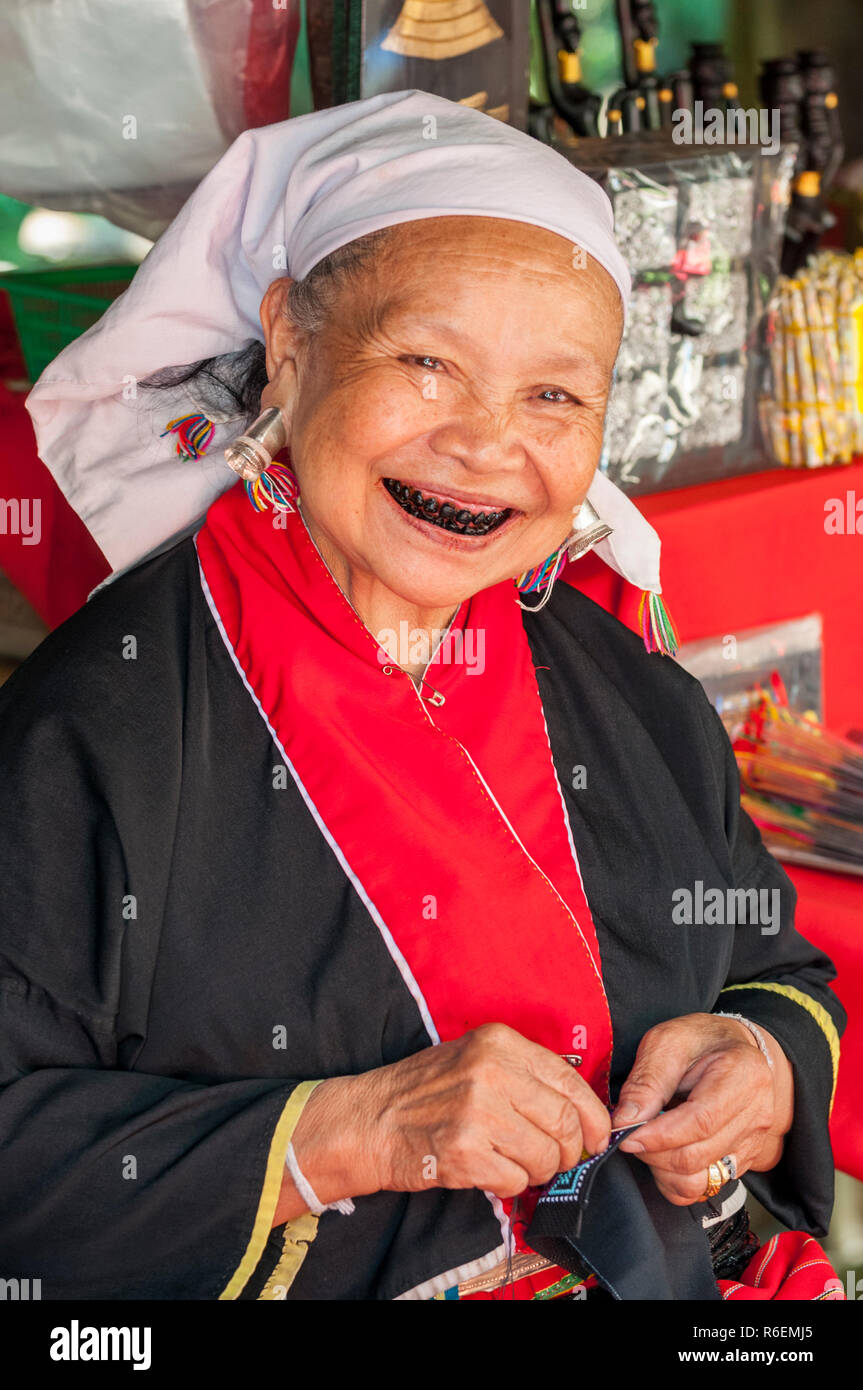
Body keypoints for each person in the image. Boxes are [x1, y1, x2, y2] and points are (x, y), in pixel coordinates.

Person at [0, 90, 845, 1301]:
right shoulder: (100, 729)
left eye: (554, 395)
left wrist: (757, 1065)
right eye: (425, 363)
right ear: (289, 340)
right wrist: (348, 1132)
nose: (488, 443)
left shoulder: (629, 687)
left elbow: (777, 968)